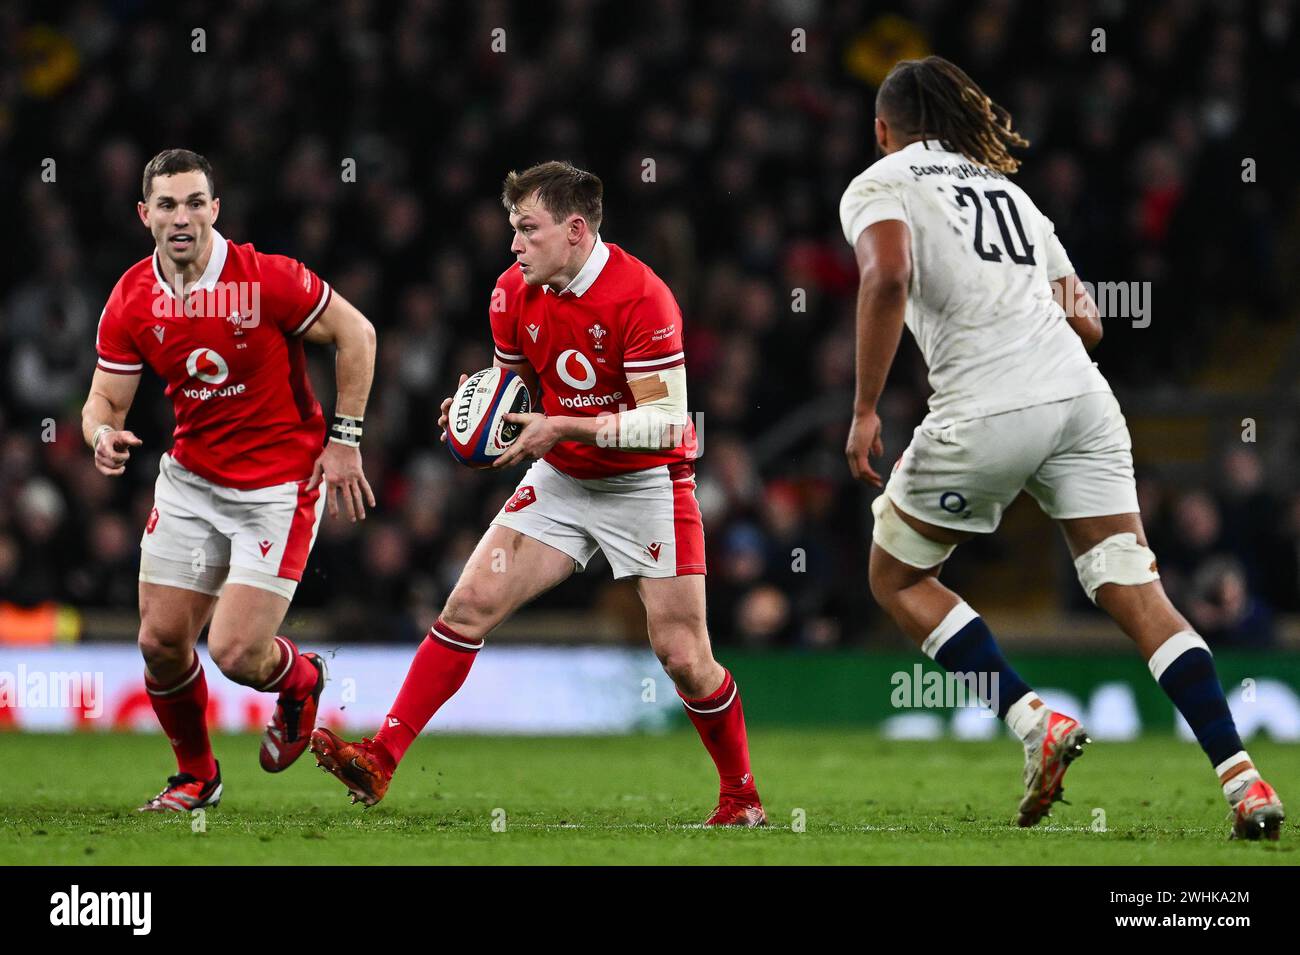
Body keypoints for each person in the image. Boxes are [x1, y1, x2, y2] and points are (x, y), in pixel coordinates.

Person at [840, 58, 1284, 839]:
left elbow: (887, 278)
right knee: (1136, 589)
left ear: (883, 131)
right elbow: (1089, 320)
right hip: (1081, 400)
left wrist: (867, 406)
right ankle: (1242, 779)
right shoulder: (1009, 192)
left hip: (986, 406)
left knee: (897, 575)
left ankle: (1030, 718)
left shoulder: (880, 182)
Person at [311, 161, 765, 826]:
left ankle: (741, 796)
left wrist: (563, 424)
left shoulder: (642, 297)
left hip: (646, 483)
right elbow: (512, 395)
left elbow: (669, 421)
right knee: (468, 605)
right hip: (563, 475)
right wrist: (476, 423)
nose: (515, 245)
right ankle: (381, 757)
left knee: (683, 656)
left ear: (575, 231)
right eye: (513, 230)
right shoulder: (509, 294)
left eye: (528, 230)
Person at [82, 148, 377, 811]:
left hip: (278, 485)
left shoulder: (265, 279)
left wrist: (346, 439)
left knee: (237, 652)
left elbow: (356, 334)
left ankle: (301, 680)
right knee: (159, 641)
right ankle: (197, 775)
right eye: (166, 204)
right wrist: (100, 434)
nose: (181, 217)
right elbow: (103, 401)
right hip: (192, 481)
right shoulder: (131, 298)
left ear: (215, 210)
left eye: (194, 202)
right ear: (144, 215)